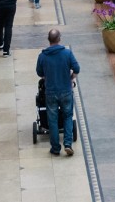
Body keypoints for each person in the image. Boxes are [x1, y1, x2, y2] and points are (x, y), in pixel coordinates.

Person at [36, 29, 81, 157]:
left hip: (50, 92)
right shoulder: (67, 53)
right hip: (66, 90)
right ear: (59, 39)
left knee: (52, 119)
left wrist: (47, 76)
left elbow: (39, 73)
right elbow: (77, 68)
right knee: (67, 116)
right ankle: (67, 144)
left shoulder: (43, 56)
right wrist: (71, 77)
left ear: (48, 39)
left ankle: (55, 148)